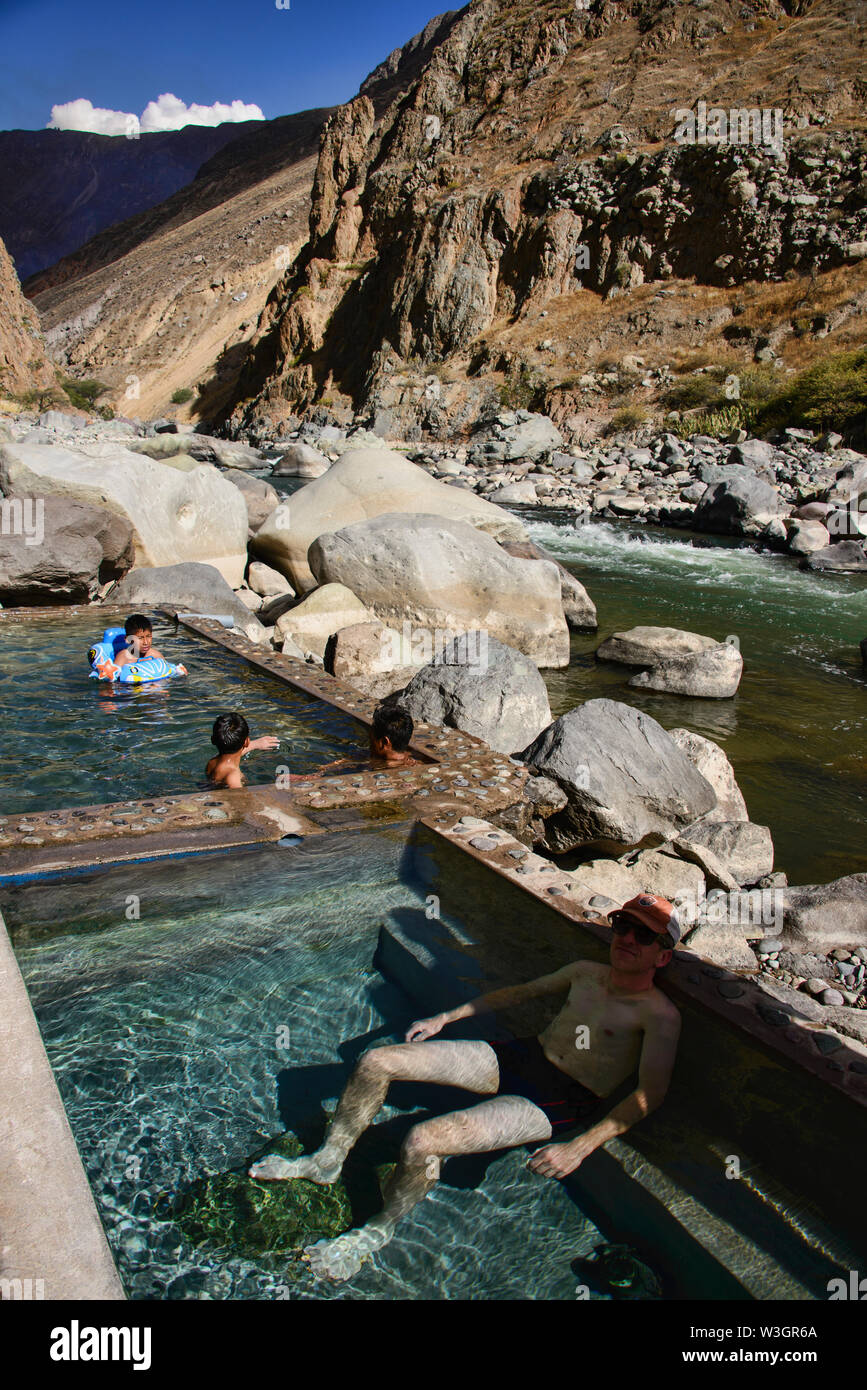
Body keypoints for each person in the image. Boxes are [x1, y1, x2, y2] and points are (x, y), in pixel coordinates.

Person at [249, 893, 683, 1281]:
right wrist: (446, 1018)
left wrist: (579, 1147)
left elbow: (651, 1094)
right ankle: (328, 1159)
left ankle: (379, 1230)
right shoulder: (586, 972)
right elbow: (519, 994)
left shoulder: (659, 1016)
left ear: (661, 957)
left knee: (422, 1141)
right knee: (375, 1062)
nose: (627, 939)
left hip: (562, 1097)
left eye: (643, 937)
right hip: (522, 1056)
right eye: (623, 927)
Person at [291, 703, 419, 783]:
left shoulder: (389, 772)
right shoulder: (404, 758)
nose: (370, 742)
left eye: (372, 738)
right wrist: (315, 774)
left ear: (384, 742)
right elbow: (350, 760)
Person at [205, 712, 280, 790]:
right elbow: (241, 800)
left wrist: (255, 744)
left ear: (213, 740)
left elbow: (231, 754)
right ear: (247, 742)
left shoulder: (212, 762)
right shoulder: (233, 777)